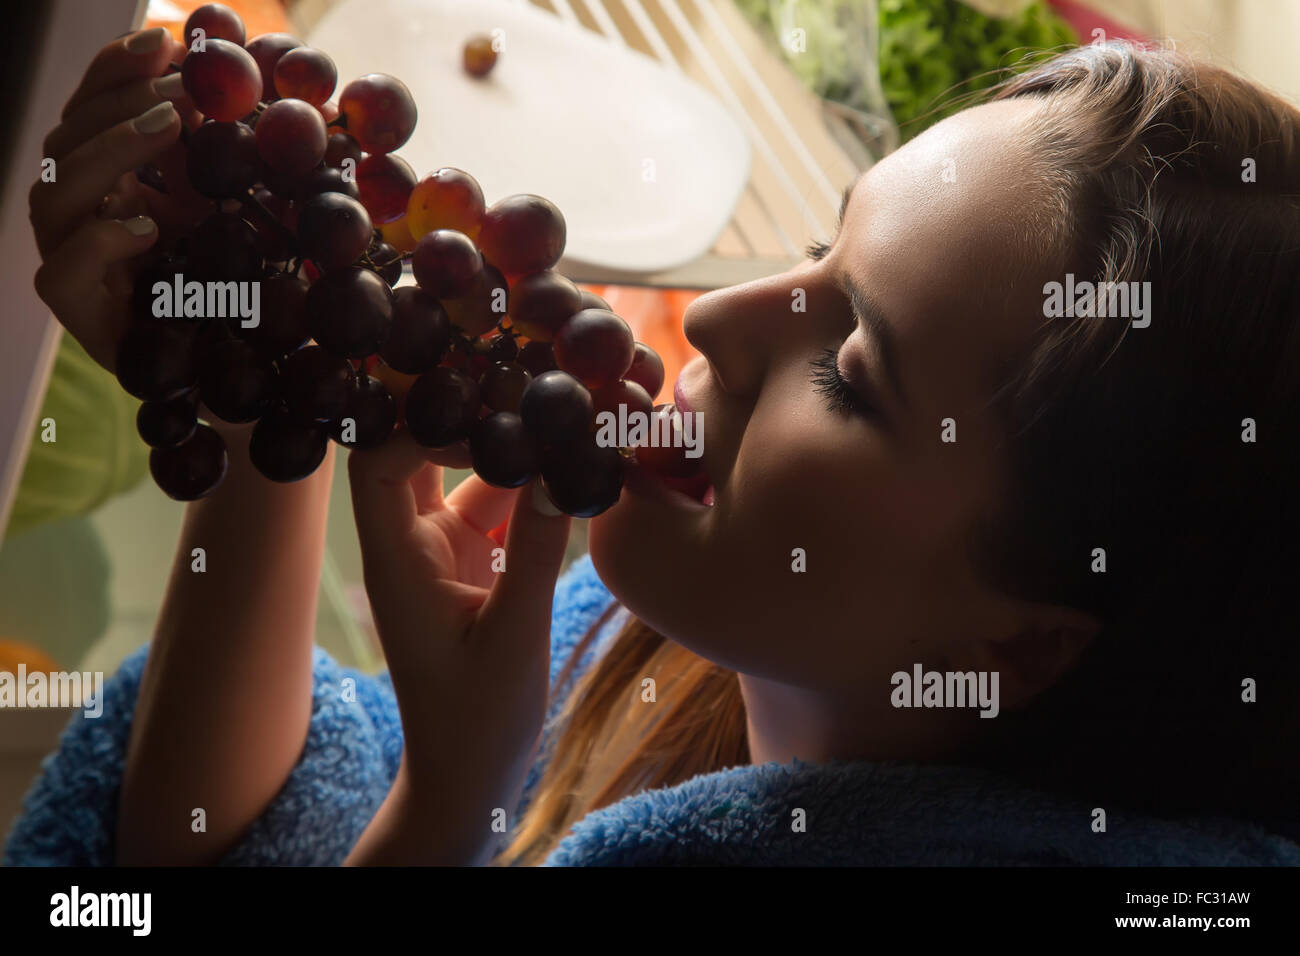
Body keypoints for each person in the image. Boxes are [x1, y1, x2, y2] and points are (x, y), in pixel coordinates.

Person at [6, 27, 1300, 867]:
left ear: (1011, 647)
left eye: (852, 370)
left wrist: (452, 807)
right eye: (821, 253)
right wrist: (261, 395)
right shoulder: (673, 665)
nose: (728, 317)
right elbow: (213, 848)